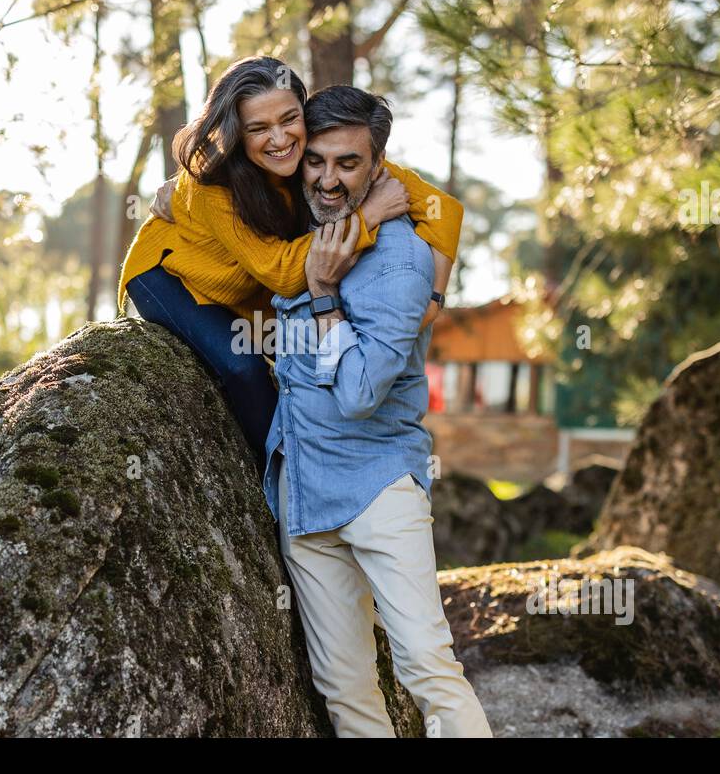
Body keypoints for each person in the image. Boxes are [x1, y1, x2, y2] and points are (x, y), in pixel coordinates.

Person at [264, 85, 493, 738]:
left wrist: (326, 297)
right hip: (304, 495)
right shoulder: (304, 230)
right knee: (345, 687)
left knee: (428, 668)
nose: (328, 179)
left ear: (378, 166)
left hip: (377, 487)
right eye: (317, 161)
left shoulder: (398, 259)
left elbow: (361, 392)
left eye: (348, 163)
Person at [116, 56, 462, 471]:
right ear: (234, 134)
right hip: (170, 275)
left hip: (243, 285)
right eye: (257, 128)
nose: (279, 139)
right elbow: (280, 272)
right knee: (242, 367)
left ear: (305, 113)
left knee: (303, 359)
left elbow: (443, 208)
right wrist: (366, 217)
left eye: (288, 120)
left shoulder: (320, 151)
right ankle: (277, 482)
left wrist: (435, 299)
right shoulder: (212, 186)